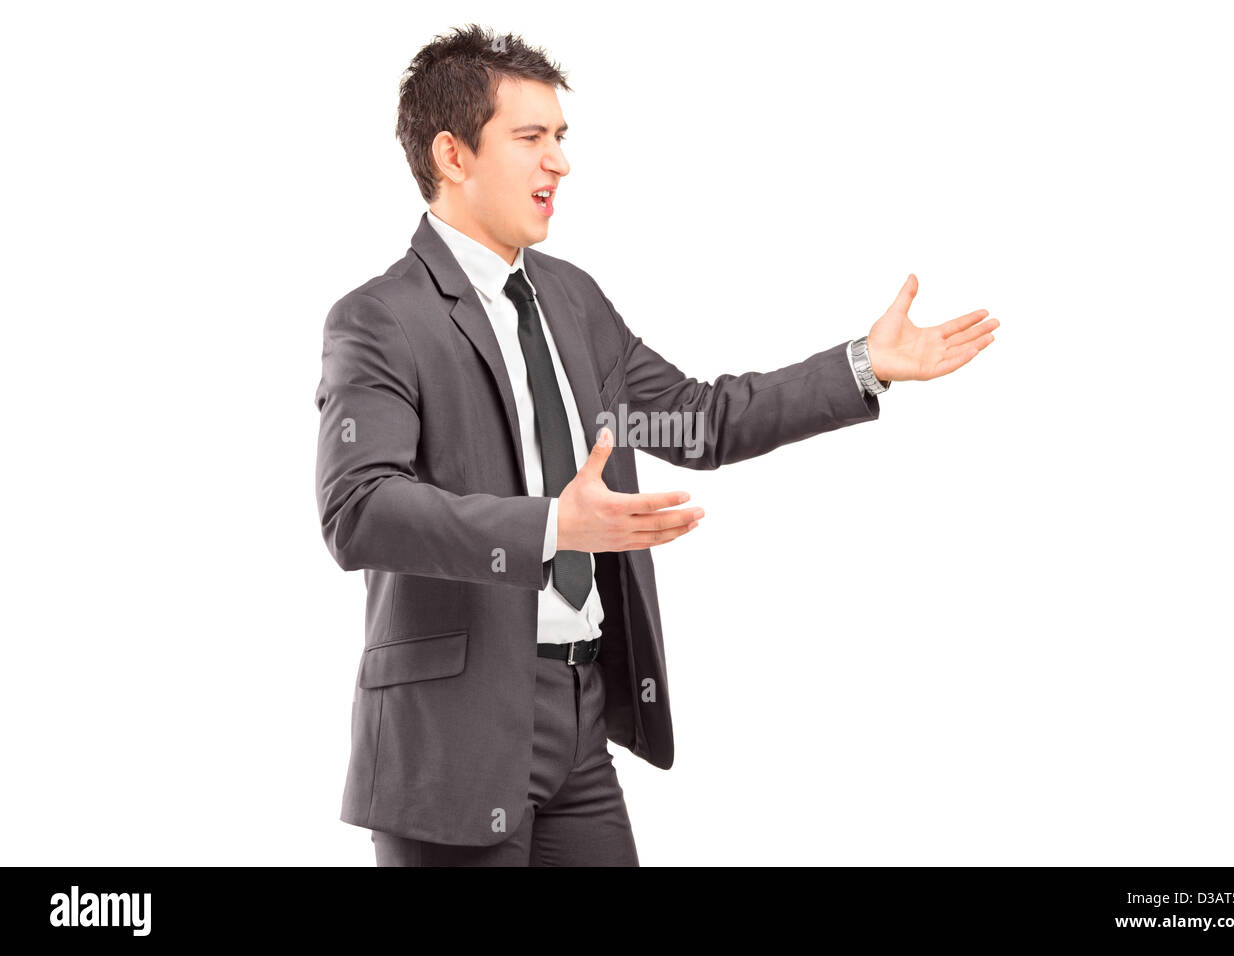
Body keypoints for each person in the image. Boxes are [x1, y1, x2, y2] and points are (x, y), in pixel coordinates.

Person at [313, 24, 999, 867]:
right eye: (531, 138)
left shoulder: (571, 300)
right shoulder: (380, 318)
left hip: (579, 710)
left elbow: (693, 420)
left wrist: (862, 366)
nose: (559, 163)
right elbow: (359, 510)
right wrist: (552, 528)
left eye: (560, 139)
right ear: (453, 156)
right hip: (451, 732)